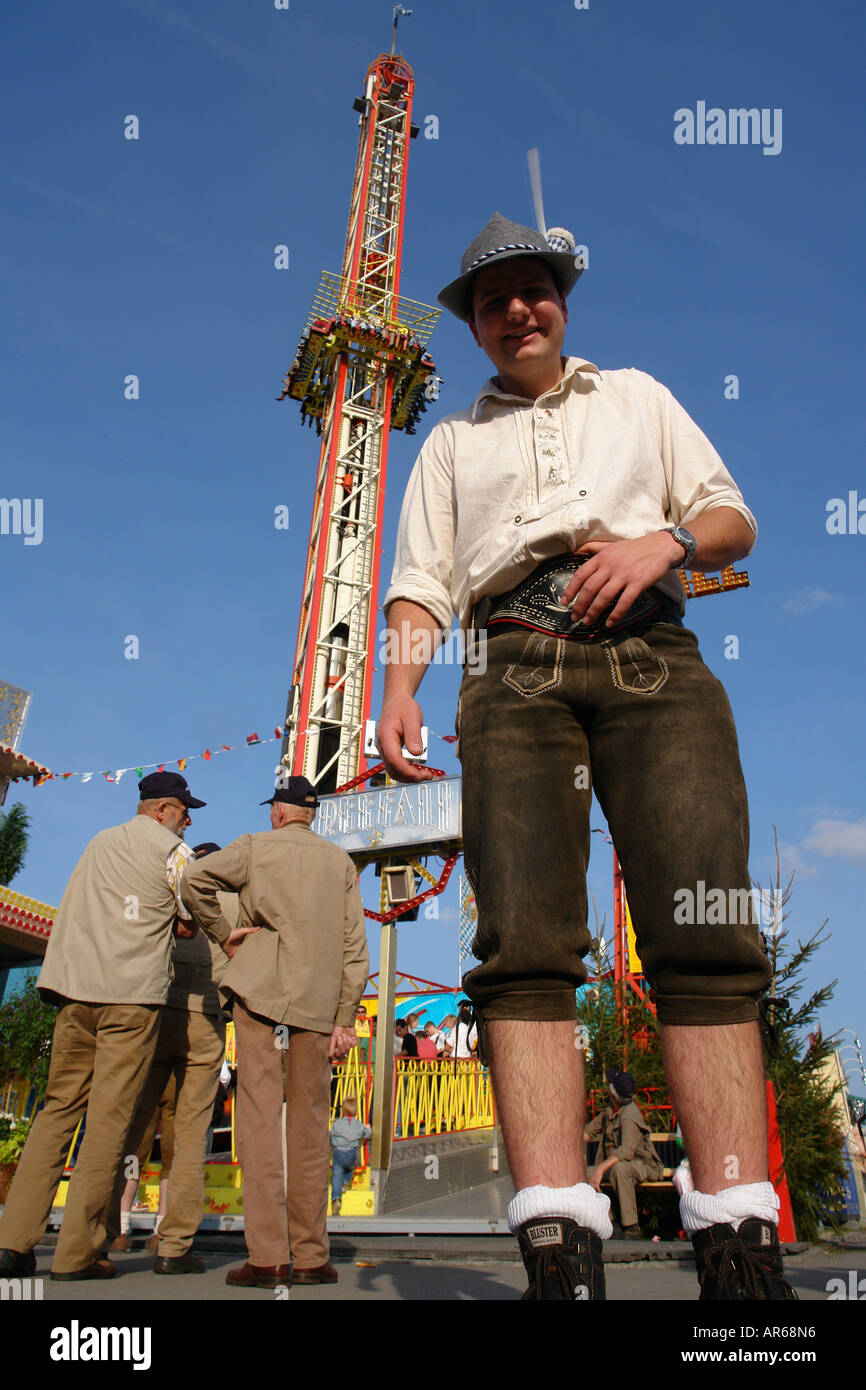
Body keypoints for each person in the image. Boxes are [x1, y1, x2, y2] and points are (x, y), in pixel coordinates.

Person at [376, 213, 792, 1301]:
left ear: (561, 301)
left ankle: (737, 1243)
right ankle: (558, 1249)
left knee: (702, 925)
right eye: (491, 298)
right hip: (508, 668)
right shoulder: (452, 443)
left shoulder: (639, 398)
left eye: (533, 289)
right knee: (522, 944)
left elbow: (728, 517)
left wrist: (662, 541)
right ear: (470, 325)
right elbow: (421, 582)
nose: (517, 308)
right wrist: (399, 688)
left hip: (652, 656)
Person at [0, 771, 238, 1281]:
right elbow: (190, 919)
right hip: (129, 999)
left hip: (74, 992)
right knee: (108, 1121)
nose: (189, 819)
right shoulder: (176, 854)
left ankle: (12, 1241)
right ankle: (77, 1254)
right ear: (161, 810)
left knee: (56, 1112)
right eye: (183, 809)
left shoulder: (97, 842)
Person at [180, 776, 369, 1290]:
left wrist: (224, 934)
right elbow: (355, 948)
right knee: (309, 1132)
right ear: (310, 815)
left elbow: (192, 880)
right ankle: (310, 1257)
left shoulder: (253, 848)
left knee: (261, 1127)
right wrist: (345, 1017)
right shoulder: (340, 864)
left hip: (261, 997)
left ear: (279, 812)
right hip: (316, 1004)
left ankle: (267, 1259)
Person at [105, 840, 237, 1274]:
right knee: (185, 1139)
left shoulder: (170, 892)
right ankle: (171, 1238)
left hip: (156, 1013)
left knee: (134, 1133)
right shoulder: (232, 902)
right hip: (203, 1018)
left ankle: (116, 1227)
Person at [584, 1068, 664, 1238]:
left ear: (613, 1094)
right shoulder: (610, 1109)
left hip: (641, 1165)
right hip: (613, 1167)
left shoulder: (629, 1115)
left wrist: (600, 1169)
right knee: (582, 1174)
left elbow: (627, 1150)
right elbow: (589, 1132)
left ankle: (631, 1226)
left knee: (620, 1169)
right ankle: (609, 1221)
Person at [329, 1095, 372, 1214]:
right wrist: (368, 1128)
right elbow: (368, 1134)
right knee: (350, 1168)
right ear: (357, 1112)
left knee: (336, 1175)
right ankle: (346, 1183)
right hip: (351, 1152)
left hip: (338, 1151)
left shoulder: (337, 1123)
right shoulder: (358, 1125)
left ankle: (336, 1199)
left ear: (342, 1111)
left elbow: (331, 1135)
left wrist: (331, 1143)